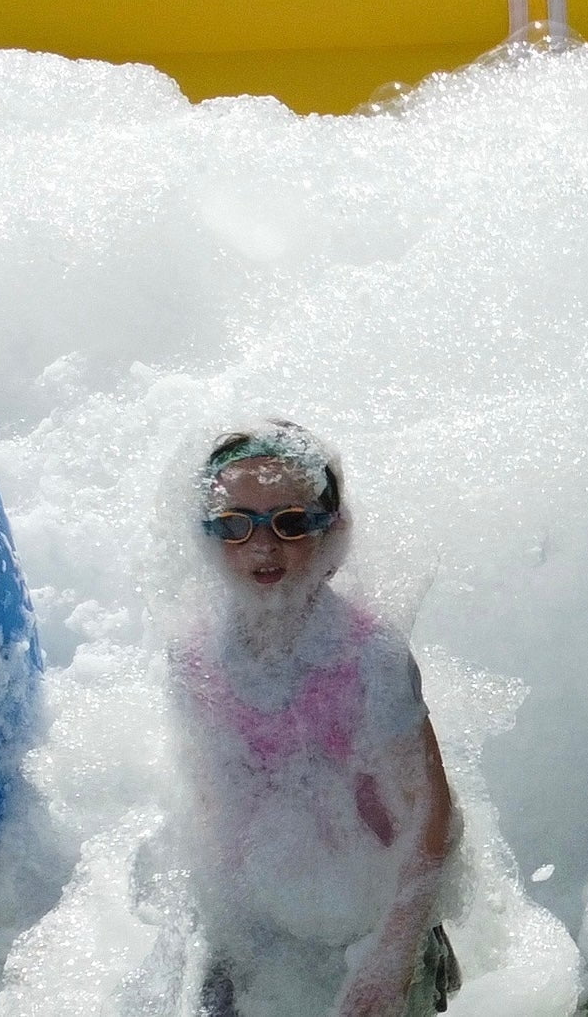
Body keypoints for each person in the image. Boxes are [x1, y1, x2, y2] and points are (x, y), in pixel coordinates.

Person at [169, 422, 462, 1017]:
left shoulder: (368, 659)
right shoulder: (195, 657)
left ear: (333, 531)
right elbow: (213, 805)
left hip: (374, 903)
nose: (262, 544)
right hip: (264, 905)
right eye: (234, 523)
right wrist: (218, 927)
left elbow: (431, 817)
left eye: (292, 522)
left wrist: (391, 955)